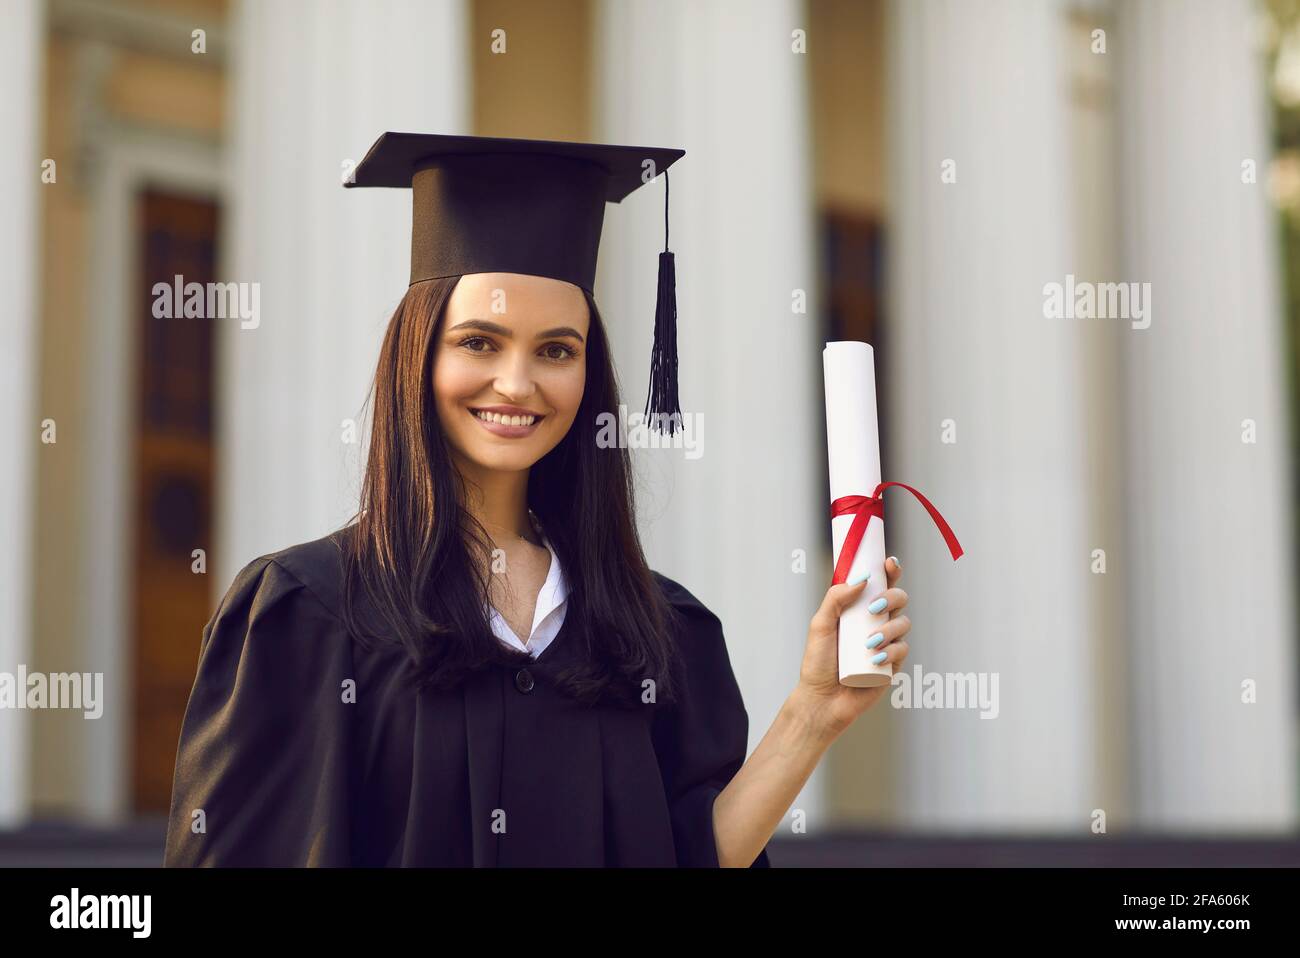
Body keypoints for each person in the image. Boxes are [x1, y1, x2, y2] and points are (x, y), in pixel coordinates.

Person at [162, 133, 912, 867]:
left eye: (556, 350)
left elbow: (694, 857)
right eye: (479, 343)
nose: (518, 384)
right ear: (417, 355)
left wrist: (814, 712)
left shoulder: (657, 630)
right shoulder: (309, 614)